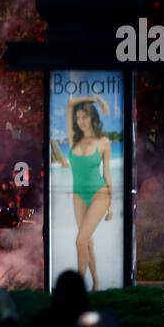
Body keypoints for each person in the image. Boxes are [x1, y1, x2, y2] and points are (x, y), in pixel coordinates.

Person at [49, 97, 113, 291]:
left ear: (92, 118)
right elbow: (69, 104)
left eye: (84, 117)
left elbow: (107, 173)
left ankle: (77, 288)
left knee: (80, 241)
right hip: (78, 195)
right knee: (88, 243)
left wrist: (111, 205)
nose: (80, 121)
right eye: (78, 118)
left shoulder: (103, 142)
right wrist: (96, 99)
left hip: (99, 194)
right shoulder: (73, 138)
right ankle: (96, 283)